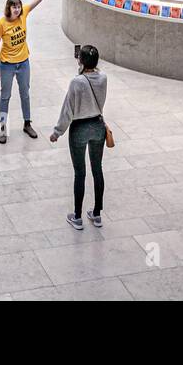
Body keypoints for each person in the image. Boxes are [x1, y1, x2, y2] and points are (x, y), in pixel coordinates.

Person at [51, 45, 108, 231]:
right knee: (97, 169)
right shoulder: (103, 79)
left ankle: (77, 216)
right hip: (98, 126)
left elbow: (68, 110)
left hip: (80, 128)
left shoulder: (77, 82)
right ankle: (97, 213)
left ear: (80, 61)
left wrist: (57, 132)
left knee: (80, 173)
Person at [0, 0, 52, 144]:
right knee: (5, 96)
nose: (18, 9)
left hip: (23, 62)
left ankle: (27, 123)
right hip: (7, 65)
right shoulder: (1, 24)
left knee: (25, 93)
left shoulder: (24, 13)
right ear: (8, 9)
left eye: (18, 6)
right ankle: (2, 128)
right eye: (14, 7)